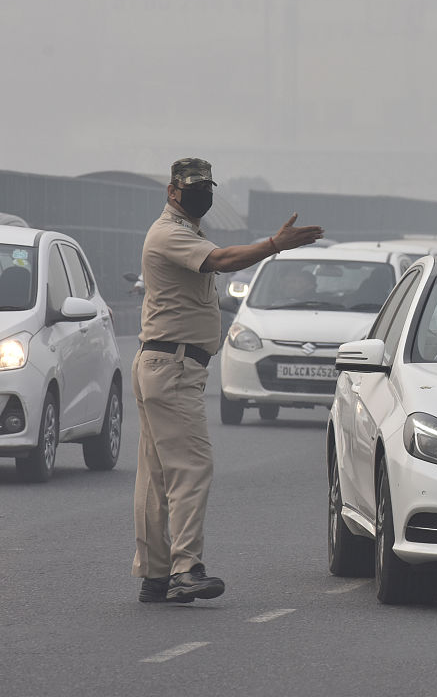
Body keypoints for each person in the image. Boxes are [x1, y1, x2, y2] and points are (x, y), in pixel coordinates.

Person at [133, 158, 323, 604]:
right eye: (193, 187)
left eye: (206, 187)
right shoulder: (170, 233)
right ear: (172, 191)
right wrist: (275, 244)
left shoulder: (187, 231)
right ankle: (185, 569)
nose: (203, 194)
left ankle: (156, 573)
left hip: (165, 365)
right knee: (191, 468)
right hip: (173, 367)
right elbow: (222, 260)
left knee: (158, 476)